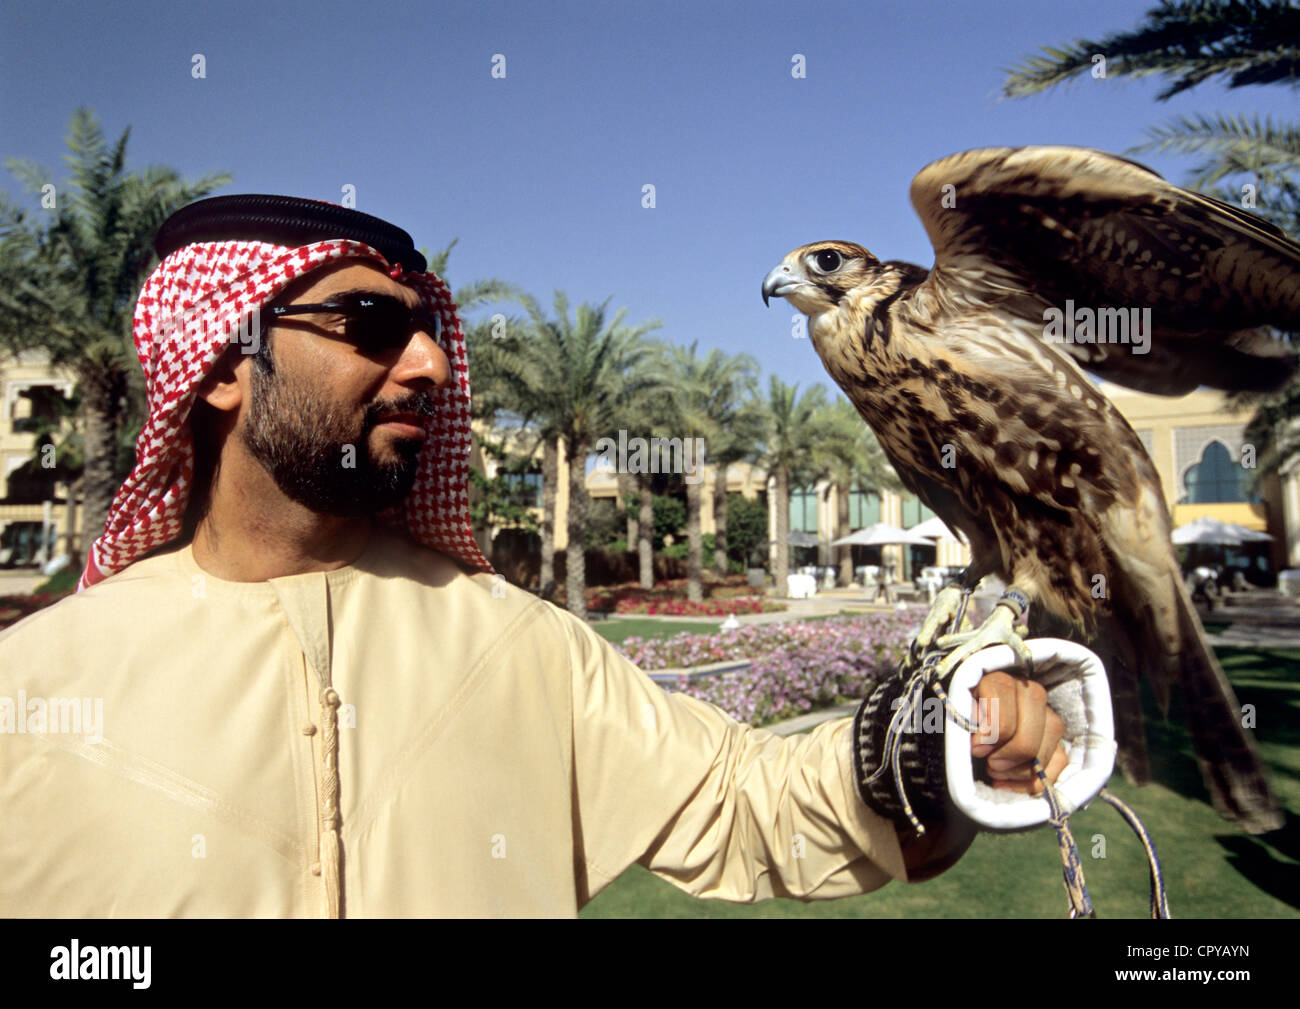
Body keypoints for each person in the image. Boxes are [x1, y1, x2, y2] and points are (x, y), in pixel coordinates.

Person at [0, 196, 1066, 917]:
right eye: (369, 323)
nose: (423, 362)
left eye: (427, 331)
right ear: (224, 366)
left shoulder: (514, 643)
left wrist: (941, 743)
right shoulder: (35, 689)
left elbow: (749, 801)